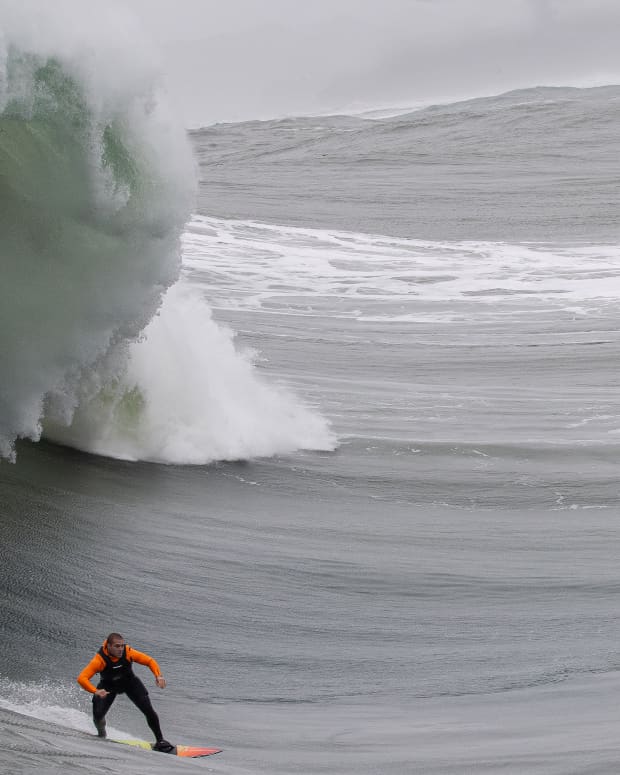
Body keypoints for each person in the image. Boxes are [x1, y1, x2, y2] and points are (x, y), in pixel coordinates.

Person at [77, 632, 173, 752]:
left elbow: (149, 661)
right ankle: (102, 735)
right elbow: (82, 678)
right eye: (117, 646)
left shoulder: (128, 652)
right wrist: (95, 691)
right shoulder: (99, 660)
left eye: (122, 645)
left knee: (148, 710)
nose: (121, 649)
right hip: (108, 687)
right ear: (109, 646)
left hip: (130, 684)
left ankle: (160, 740)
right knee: (98, 716)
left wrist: (158, 676)